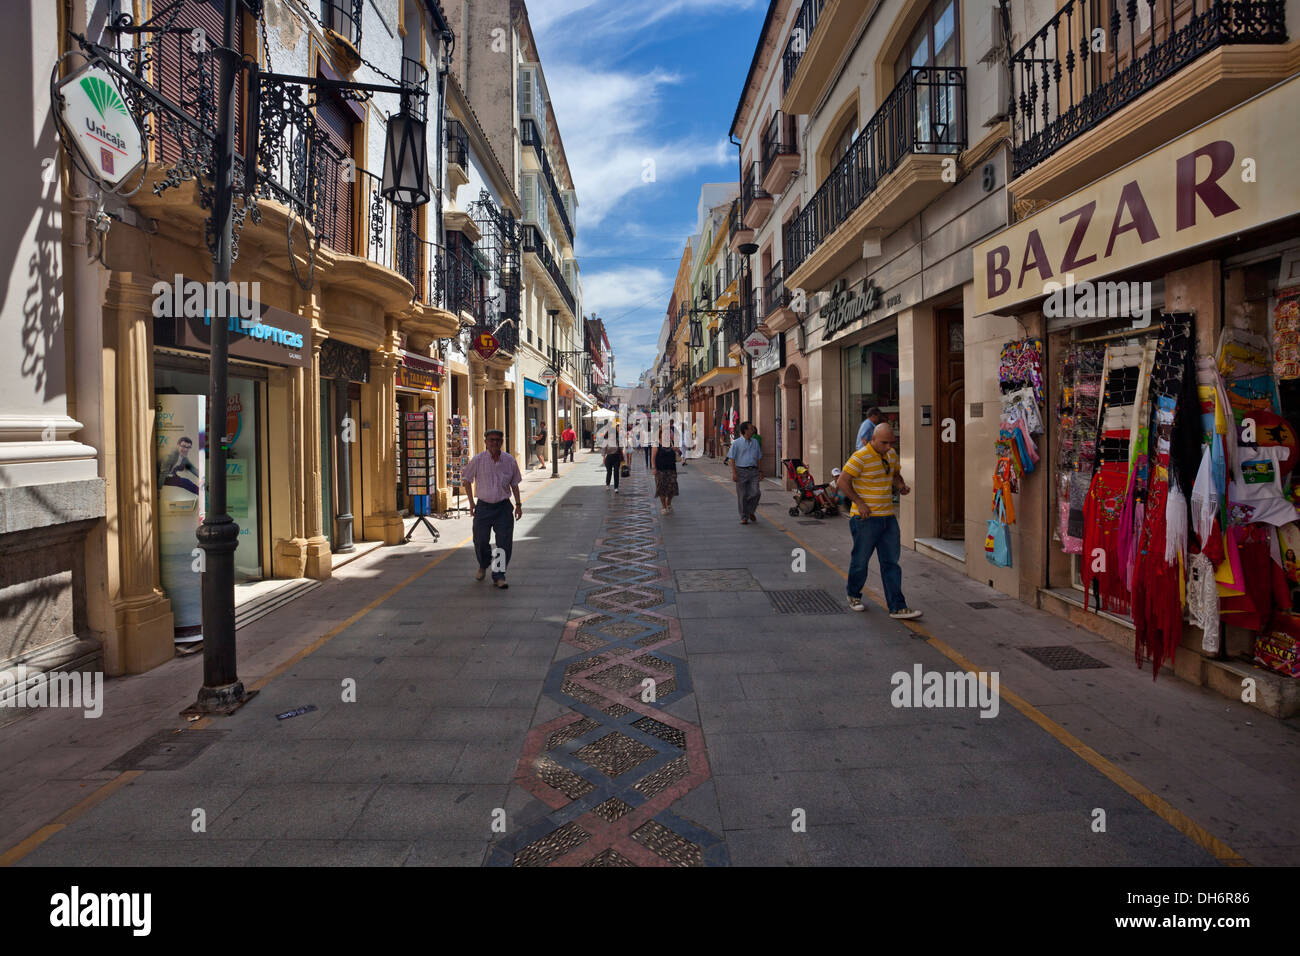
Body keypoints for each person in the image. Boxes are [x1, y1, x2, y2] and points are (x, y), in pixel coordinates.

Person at [836, 422, 922, 619]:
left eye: (891, 442)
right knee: (860, 561)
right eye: (883, 443)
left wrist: (901, 486)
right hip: (865, 520)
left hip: (888, 518)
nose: (888, 447)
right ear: (873, 439)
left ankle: (897, 607)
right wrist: (859, 502)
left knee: (891, 562)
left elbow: (894, 474)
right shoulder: (860, 456)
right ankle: (853, 595)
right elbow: (842, 481)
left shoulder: (891, 455)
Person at [462, 428, 523, 590]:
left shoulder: (509, 460)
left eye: (498, 440)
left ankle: (499, 575)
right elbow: (466, 480)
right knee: (480, 540)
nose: (495, 443)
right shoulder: (478, 460)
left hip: (503, 507)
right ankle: (483, 564)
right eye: (491, 440)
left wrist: (518, 505)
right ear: (486, 442)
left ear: (502, 442)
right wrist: (471, 503)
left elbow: (515, 484)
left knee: (503, 543)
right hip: (483, 507)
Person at [726, 420, 763, 525]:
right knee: (742, 495)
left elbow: (759, 457)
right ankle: (744, 517)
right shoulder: (737, 443)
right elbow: (732, 458)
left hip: (754, 471)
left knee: (756, 492)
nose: (753, 430)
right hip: (741, 471)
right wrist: (734, 473)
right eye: (751, 428)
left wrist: (760, 471)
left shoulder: (755, 442)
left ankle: (750, 511)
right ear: (745, 430)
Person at [654, 431, 679, 515]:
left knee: (672, 488)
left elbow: (679, 453)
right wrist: (653, 468)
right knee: (661, 488)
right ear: (660, 435)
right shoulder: (657, 444)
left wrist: (676, 449)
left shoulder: (671, 444)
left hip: (671, 469)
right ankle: (663, 506)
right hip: (660, 470)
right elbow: (653, 457)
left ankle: (668, 502)